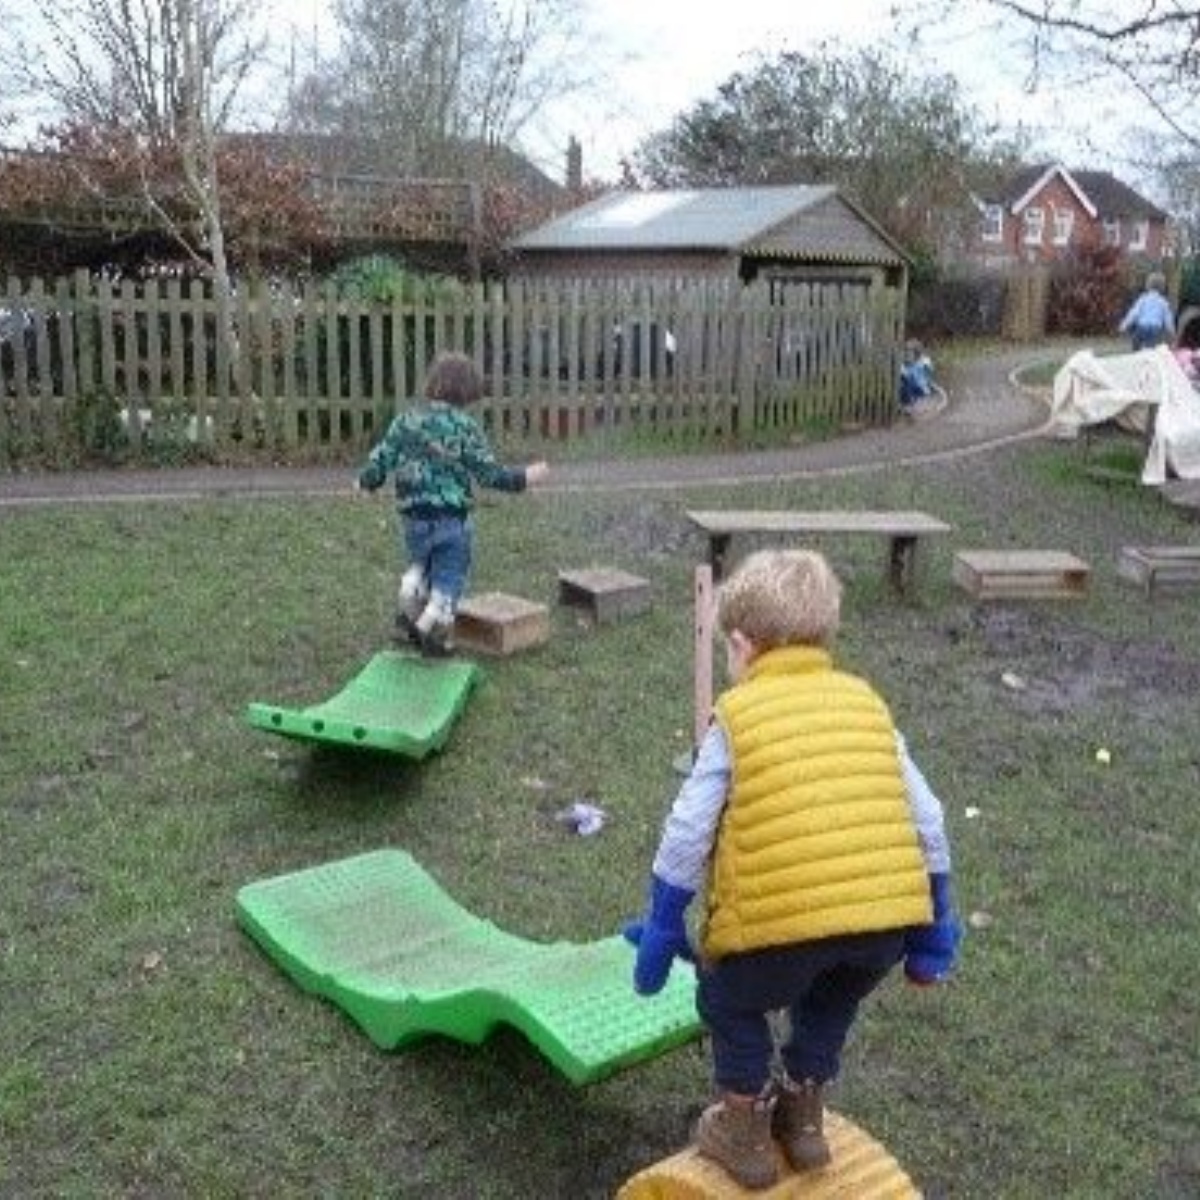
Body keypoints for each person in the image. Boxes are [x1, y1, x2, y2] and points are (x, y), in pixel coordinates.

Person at [624, 548, 960, 1191]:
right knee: (832, 997)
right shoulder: (868, 705)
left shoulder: (738, 716)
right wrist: (935, 924)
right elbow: (931, 818)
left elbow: (688, 829)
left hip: (774, 935)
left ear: (745, 645)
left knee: (728, 1000)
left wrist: (665, 921)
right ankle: (804, 1120)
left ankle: (744, 1130)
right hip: (879, 930)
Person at [356, 351, 549, 656]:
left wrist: (366, 481)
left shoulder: (407, 420)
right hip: (451, 518)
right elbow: (488, 474)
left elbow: (382, 456)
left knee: (423, 563)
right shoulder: (465, 427)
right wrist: (525, 477)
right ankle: (428, 628)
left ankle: (410, 589)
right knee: (449, 576)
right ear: (468, 389)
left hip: (413, 516)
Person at [1119, 272, 1175, 351]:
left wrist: (1124, 326)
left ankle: (1136, 357)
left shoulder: (1143, 299)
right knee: (1152, 352)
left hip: (1141, 328)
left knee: (1136, 348)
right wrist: (1171, 332)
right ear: (1162, 287)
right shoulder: (1163, 302)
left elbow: (1134, 313)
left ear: (1147, 285)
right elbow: (1168, 319)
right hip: (1156, 330)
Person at [898, 339, 936, 410]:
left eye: (908, 353)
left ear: (916, 355)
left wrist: (904, 373)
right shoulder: (905, 365)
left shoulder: (919, 365)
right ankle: (906, 403)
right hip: (911, 391)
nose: (905, 355)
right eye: (905, 353)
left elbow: (918, 381)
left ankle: (911, 404)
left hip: (920, 391)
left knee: (907, 380)